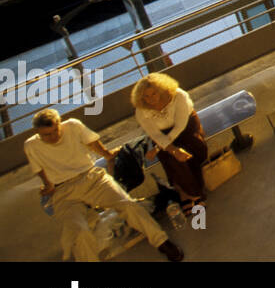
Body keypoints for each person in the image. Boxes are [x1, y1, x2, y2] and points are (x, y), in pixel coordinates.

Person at [25, 108, 184, 263]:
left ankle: (162, 242)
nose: (53, 136)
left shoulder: (73, 125)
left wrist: (108, 155)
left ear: (60, 123)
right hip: (64, 192)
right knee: (79, 232)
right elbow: (39, 169)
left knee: (128, 205)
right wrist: (48, 185)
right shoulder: (31, 145)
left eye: (55, 130)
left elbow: (93, 142)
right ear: (38, 133)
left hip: (92, 178)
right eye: (47, 135)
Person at [131, 73, 207, 211]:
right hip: (162, 135)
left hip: (187, 127)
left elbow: (180, 126)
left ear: (161, 89)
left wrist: (161, 147)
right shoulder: (141, 111)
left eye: (154, 94)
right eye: (146, 96)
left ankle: (185, 190)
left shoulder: (178, 96)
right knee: (171, 158)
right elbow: (154, 134)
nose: (151, 99)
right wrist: (172, 149)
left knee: (192, 150)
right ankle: (192, 195)